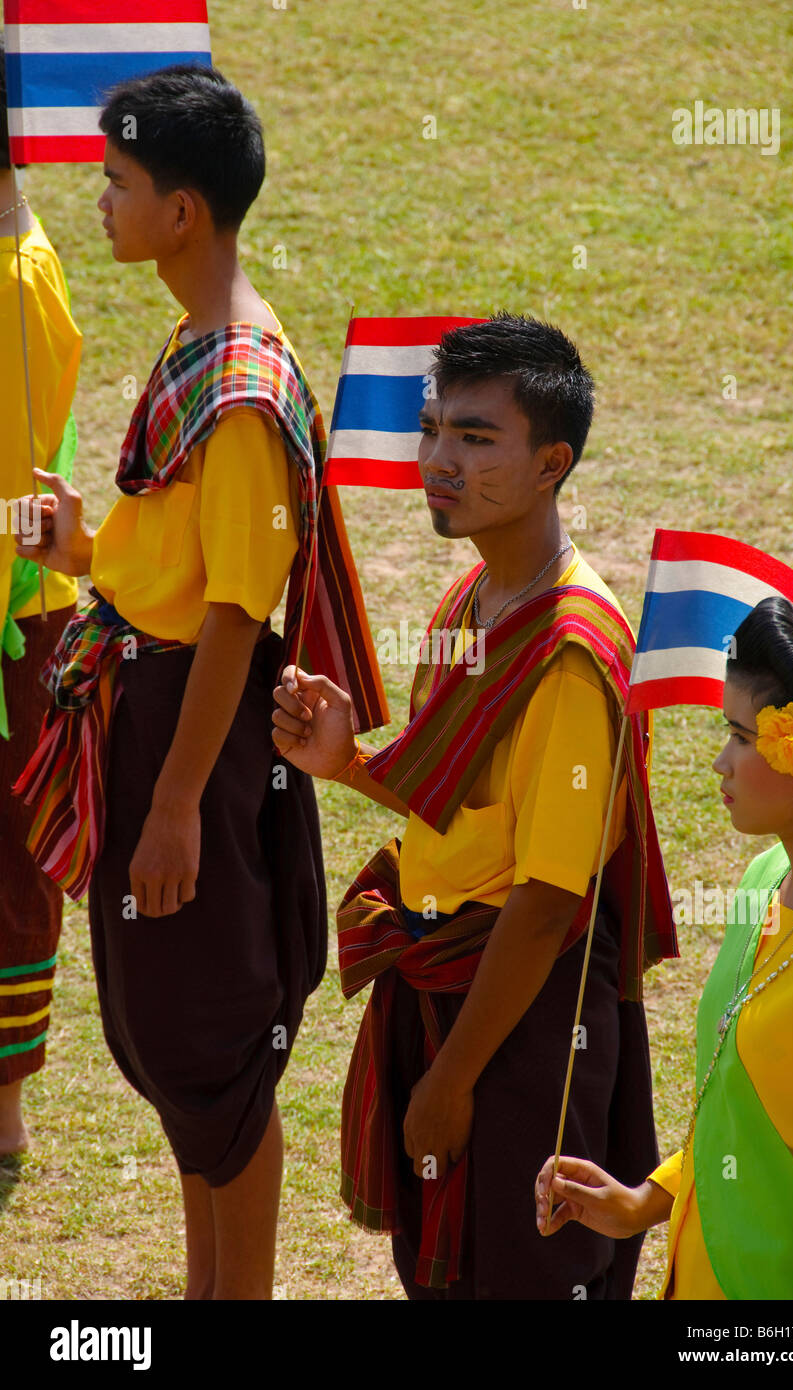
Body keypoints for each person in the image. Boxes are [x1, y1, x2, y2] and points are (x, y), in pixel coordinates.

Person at [14, 65, 384, 1299]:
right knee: (175, 1047)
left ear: (182, 210)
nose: (98, 203)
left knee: (218, 1049)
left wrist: (174, 804)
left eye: (117, 183)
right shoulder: (194, 337)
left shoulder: (237, 393)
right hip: (145, 705)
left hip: (193, 735)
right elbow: (180, 567)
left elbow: (233, 614)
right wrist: (81, 549)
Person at [272, 313, 677, 1300]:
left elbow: (543, 905)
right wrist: (347, 763)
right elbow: (459, 795)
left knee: (524, 1269)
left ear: (551, 463)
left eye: (475, 437)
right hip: (446, 988)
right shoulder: (468, 606)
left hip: (521, 1023)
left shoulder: (571, 656)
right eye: (431, 428)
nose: (438, 460)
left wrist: (450, 1079)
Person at [535, 596, 793, 1300]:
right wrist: (646, 1200)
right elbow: (750, 1110)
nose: (719, 761)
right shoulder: (763, 881)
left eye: (741, 738)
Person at [0, 35, 82, 1155]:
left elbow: (22, 482)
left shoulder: (18, 277)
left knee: (13, 860)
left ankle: (4, 1107)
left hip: (18, 608)